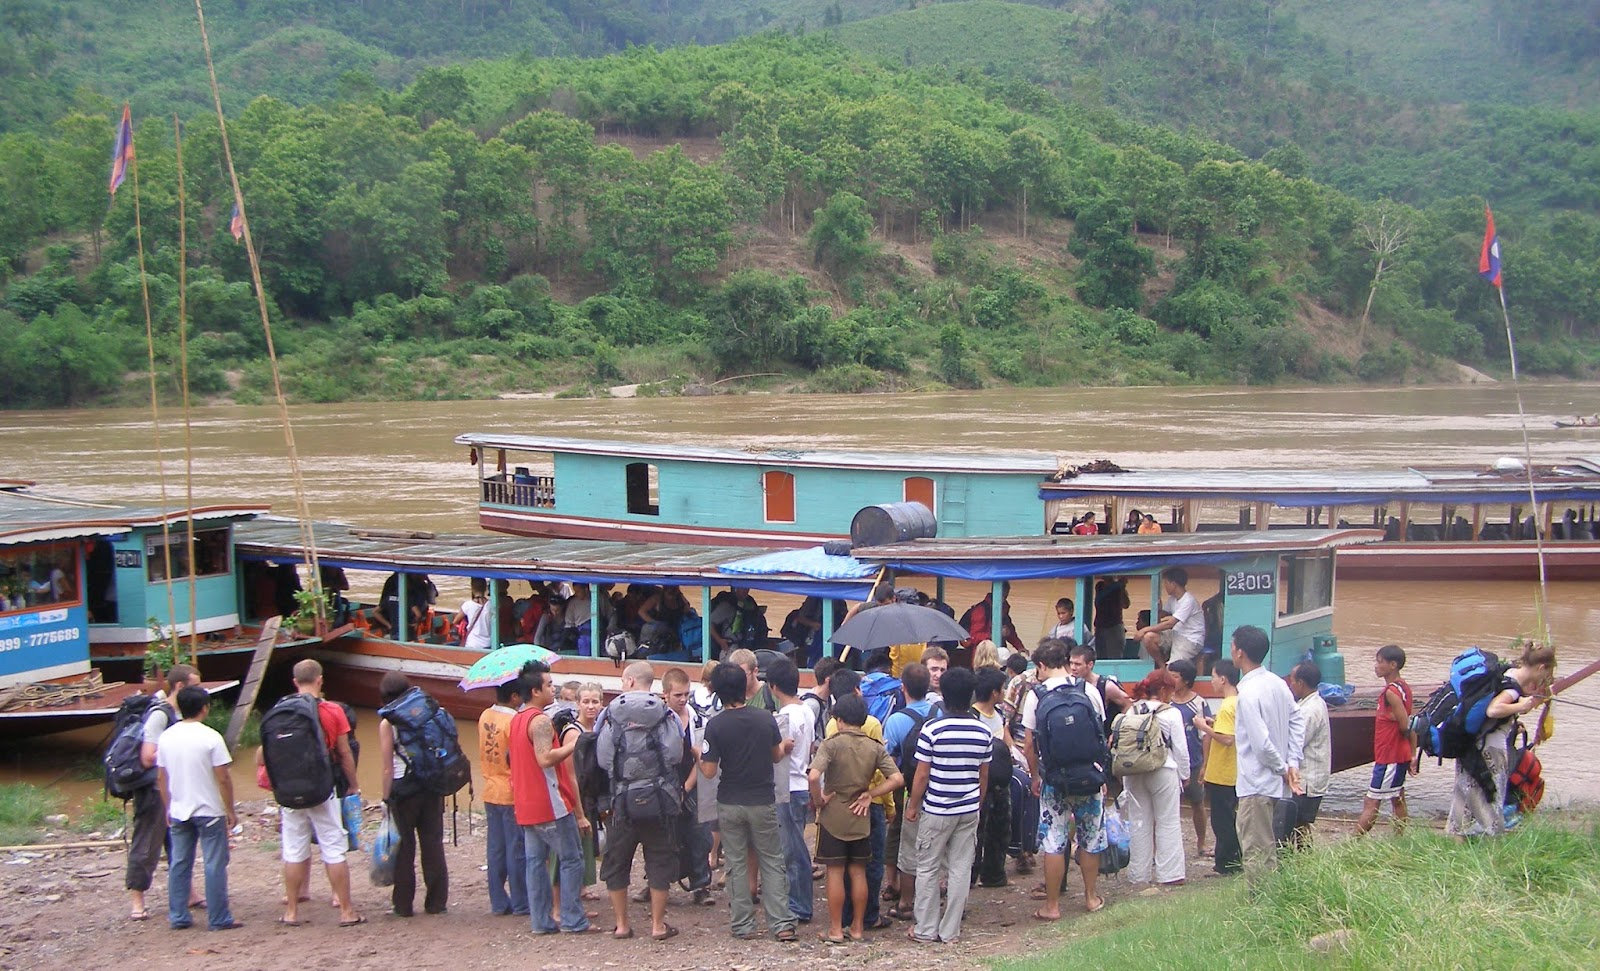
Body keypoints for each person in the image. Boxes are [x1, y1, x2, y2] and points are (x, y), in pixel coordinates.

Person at [699, 663, 797, 942]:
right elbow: (776, 756)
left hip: (730, 800)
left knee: (736, 863)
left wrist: (697, 755)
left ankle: (743, 924)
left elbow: (709, 771)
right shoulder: (765, 718)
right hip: (762, 799)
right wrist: (783, 746)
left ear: (717, 691)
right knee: (772, 860)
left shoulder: (715, 725)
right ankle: (781, 923)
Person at [263, 660, 364, 928]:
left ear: (295, 682)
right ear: (320, 680)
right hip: (322, 788)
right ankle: (346, 911)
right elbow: (344, 753)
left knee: (294, 849)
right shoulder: (332, 711)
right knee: (333, 847)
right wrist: (353, 785)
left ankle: (292, 911)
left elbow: (264, 756)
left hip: (289, 791)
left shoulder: (279, 711)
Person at [904, 667, 991, 945]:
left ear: (943, 694)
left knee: (928, 867)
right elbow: (983, 775)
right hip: (968, 808)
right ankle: (950, 930)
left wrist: (913, 805)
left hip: (937, 808)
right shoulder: (983, 731)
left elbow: (922, 774)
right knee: (960, 868)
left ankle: (926, 928)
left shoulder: (932, 729)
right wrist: (977, 803)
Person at [808, 693, 904, 945]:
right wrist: (870, 794)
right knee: (859, 871)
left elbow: (813, 776)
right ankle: (858, 927)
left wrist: (819, 800)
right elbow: (897, 779)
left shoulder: (831, 744)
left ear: (838, 719)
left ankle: (835, 929)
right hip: (860, 816)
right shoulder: (874, 747)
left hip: (833, 816)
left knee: (835, 872)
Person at [597, 661, 682, 940]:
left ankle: (622, 924)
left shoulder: (610, 713)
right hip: (658, 799)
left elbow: (603, 758)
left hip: (621, 800)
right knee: (659, 859)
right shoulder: (665, 713)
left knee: (617, 860)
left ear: (631, 681)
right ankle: (657, 925)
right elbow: (675, 754)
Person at [1023, 640, 1108, 917]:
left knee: (1054, 841)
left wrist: (1035, 776)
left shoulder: (1037, 695)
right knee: (1090, 837)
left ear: (1042, 665)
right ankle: (1091, 898)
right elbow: (1100, 733)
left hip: (1054, 779)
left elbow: (1029, 745)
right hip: (1089, 776)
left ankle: (1052, 906)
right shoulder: (1088, 690)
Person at [511, 663, 594, 935]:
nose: (553, 689)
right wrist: (573, 744)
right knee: (572, 858)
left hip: (526, 803)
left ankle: (541, 921)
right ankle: (573, 919)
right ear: (535, 691)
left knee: (535, 862)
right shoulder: (541, 721)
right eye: (548, 685)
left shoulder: (518, 718)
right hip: (549, 803)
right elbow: (544, 758)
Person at [1446, 642, 1555, 838]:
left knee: (1463, 795)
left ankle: (1455, 839)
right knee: (1492, 796)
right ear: (1540, 667)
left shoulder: (1506, 673)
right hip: (1490, 749)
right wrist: (1520, 707)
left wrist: (1525, 704)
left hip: (1471, 744)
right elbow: (1494, 709)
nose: (1544, 678)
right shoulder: (1513, 688)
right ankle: (1491, 841)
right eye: (1546, 673)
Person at [155, 685, 240, 931]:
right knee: (214, 863)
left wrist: (167, 807)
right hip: (209, 809)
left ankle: (178, 915)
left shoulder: (166, 737)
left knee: (180, 862)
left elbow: (162, 777)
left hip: (179, 809)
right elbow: (223, 778)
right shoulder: (211, 737)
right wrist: (230, 810)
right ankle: (219, 917)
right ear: (205, 708)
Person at [126, 664, 200, 922]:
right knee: (147, 843)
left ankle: (189, 893)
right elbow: (148, 757)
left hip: (175, 786)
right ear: (180, 686)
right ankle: (137, 899)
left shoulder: (182, 714)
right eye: (195, 686)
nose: (200, 691)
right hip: (153, 790)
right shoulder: (160, 714)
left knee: (179, 841)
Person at [1231, 625, 1303, 888]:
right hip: (1273, 782)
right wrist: (1292, 762)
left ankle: (1262, 902)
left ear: (1240, 652)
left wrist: (1284, 768)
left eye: (1232, 646)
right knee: (1268, 847)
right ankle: (1271, 899)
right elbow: (1297, 720)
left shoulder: (1248, 693)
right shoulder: (1277, 683)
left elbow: (1261, 744)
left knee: (1256, 851)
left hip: (1257, 783)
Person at [823, 668, 893, 932]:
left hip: (836, 803)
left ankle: (840, 920)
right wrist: (887, 803)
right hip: (868, 801)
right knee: (866, 866)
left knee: (837, 867)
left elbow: (817, 772)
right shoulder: (872, 725)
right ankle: (865, 919)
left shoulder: (832, 727)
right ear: (856, 691)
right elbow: (885, 774)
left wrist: (819, 799)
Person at [377, 672, 448, 917]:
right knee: (433, 844)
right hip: (431, 785)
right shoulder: (427, 711)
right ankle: (437, 903)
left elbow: (388, 767)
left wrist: (385, 798)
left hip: (404, 789)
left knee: (404, 849)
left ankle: (403, 905)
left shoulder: (389, 721)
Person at [883, 662, 936, 911]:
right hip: (936, 787)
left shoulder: (896, 720)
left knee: (900, 835)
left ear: (903, 687)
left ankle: (898, 889)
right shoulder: (939, 713)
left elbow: (888, 760)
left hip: (904, 785)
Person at [660, 668, 714, 906]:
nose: (683, 700)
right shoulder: (657, 721)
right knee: (661, 838)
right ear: (665, 694)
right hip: (664, 784)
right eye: (678, 695)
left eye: (686, 694)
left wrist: (687, 787)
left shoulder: (699, 720)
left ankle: (701, 884)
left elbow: (703, 757)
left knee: (699, 835)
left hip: (693, 782)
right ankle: (658, 883)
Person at [768, 657, 815, 925]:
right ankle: (797, 900)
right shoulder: (806, 710)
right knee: (795, 845)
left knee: (792, 849)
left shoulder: (783, 717)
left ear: (774, 687)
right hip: (801, 782)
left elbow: (778, 754)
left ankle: (798, 904)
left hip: (788, 784)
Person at [480, 673, 529, 917]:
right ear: (515, 697)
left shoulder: (485, 715)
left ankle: (498, 902)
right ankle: (521, 902)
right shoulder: (514, 721)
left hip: (490, 788)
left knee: (496, 849)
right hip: (511, 791)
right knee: (516, 849)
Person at [1355, 644, 1414, 835]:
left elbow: (1405, 725)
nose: (1376, 666)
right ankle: (1399, 839)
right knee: (1397, 797)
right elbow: (1410, 723)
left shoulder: (1391, 692)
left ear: (1393, 665)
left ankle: (1352, 842)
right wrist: (1412, 753)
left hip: (1390, 756)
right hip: (1397, 754)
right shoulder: (1404, 687)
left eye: (1380, 662)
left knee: (1371, 801)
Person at [1195, 660, 1242, 875]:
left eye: (1213, 676)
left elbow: (1227, 739)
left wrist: (1204, 727)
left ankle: (1227, 863)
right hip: (1232, 771)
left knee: (1222, 820)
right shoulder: (1238, 702)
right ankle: (1230, 859)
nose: (1211, 681)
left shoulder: (1227, 706)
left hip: (1223, 772)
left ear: (1223, 679)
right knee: (1229, 817)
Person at [971, 665, 1014, 889]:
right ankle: (972, 874)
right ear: (994, 692)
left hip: (1001, 781)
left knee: (1000, 829)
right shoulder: (973, 717)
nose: (1005, 692)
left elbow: (1007, 740)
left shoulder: (999, 714)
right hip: (980, 781)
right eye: (1002, 688)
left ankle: (994, 874)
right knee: (978, 830)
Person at [1167, 658, 1211, 858]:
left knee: (1197, 803)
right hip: (1169, 763)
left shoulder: (1198, 703)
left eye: (1175, 677)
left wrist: (1205, 764)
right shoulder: (1166, 701)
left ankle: (1201, 843)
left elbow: (1206, 735)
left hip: (1193, 762)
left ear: (1186, 680)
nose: (1171, 680)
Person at [1288, 661, 1330, 847]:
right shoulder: (1312, 703)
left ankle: (1302, 857)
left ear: (1301, 683)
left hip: (1307, 779)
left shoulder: (1309, 711)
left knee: (1296, 823)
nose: (1290, 685)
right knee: (1300, 825)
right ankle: (1304, 857)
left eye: (1292, 680)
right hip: (1311, 777)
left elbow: (1296, 743)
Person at [1135, 568, 1204, 666]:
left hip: (1190, 639)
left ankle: (1168, 670)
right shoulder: (1173, 599)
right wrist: (1159, 609)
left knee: (1173, 668)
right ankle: (1162, 667)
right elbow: (1164, 614)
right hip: (1176, 634)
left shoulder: (1188, 601)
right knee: (1148, 637)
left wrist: (1144, 629)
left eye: (1166, 583)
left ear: (1173, 584)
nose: (1165, 586)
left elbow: (1170, 623)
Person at [959, 586, 1026, 657]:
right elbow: (973, 636)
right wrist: (995, 634)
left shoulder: (1003, 610)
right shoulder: (980, 610)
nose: (1003, 599)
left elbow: (1010, 633)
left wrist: (1020, 647)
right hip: (982, 653)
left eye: (1005, 596)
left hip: (999, 650)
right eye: (1002, 595)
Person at [1092, 576, 1131, 658]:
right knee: (1101, 656)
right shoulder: (1100, 586)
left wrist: (1121, 587)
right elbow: (1099, 599)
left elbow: (1126, 604)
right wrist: (1119, 585)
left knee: (1115, 656)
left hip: (1114, 626)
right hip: (1101, 627)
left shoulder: (1118, 587)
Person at [459, 578, 493, 649]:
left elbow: (455, 621)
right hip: (489, 644)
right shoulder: (491, 604)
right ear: (485, 588)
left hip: (472, 644)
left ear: (472, 588)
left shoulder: (467, 605)